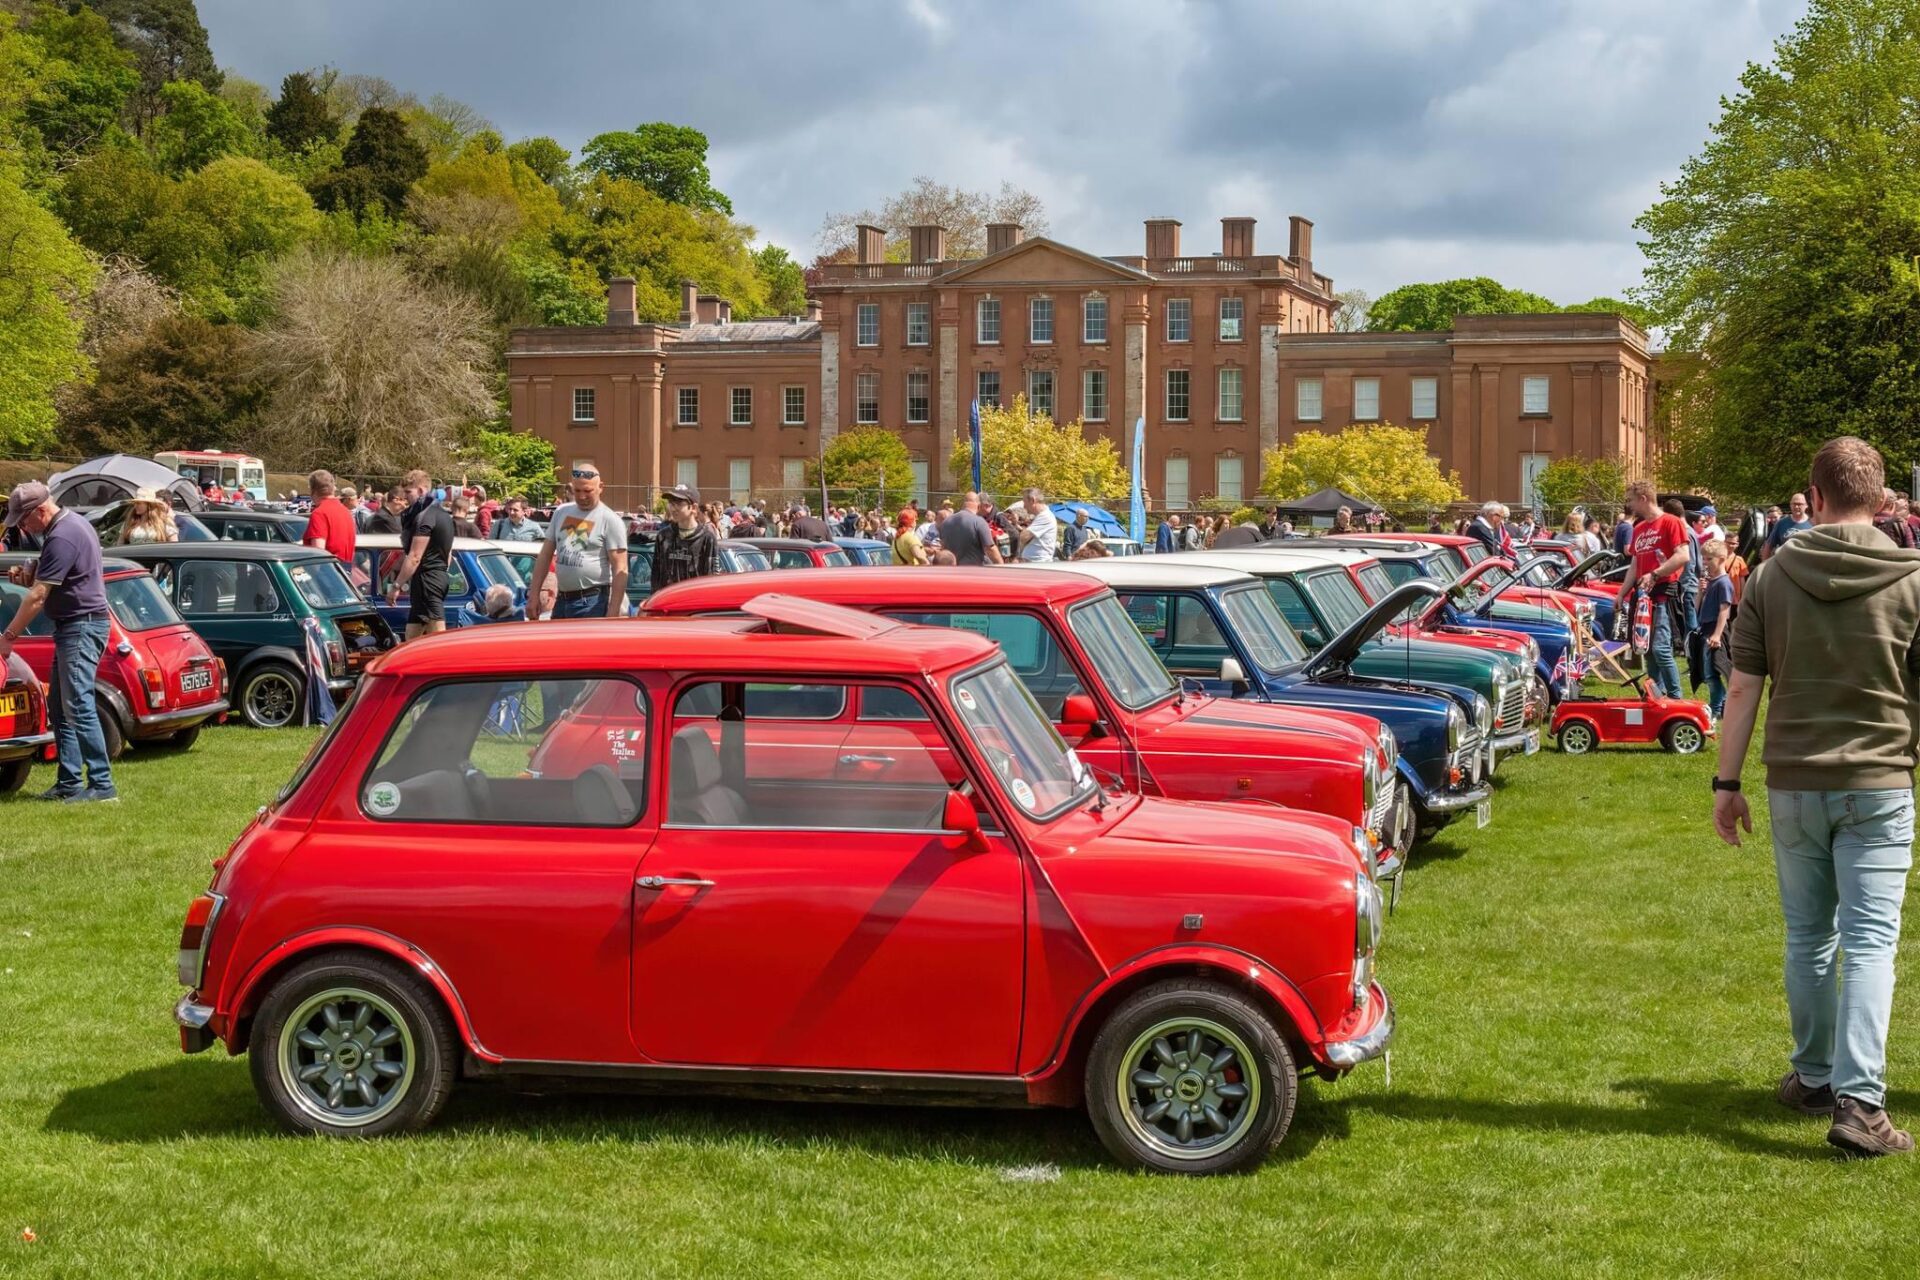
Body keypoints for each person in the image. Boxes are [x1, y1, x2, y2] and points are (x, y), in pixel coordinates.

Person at [1715, 435, 1920, 1158]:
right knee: (1868, 942)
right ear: (1882, 497)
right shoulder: (1913, 579)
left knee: (1812, 936)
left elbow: (1742, 689)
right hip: (1879, 784)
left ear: (1818, 496)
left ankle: (1815, 1077)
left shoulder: (1769, 577)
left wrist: (1726, 782)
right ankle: (1857, 1102)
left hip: (1794, 782)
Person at [0, 483, 115, 802]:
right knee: (61, 708)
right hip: (76, 625)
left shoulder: (63, 535)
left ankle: (102, 785)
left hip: (81, 626)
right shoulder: (72, 526)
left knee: (78, 704)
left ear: (40, 510)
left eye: (23, 520)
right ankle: (69, 782)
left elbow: (38, 597)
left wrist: (8, 637)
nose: (22, 527)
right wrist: (29, 577)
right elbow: (57, 580)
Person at [1617, 479, 1689, 699]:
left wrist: (1656, 573)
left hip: (1663, 592)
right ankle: (1655, 697)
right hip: (1643, 594)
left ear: (1643, 499)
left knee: (1660, 648)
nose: (1630, 505)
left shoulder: (1671, 522)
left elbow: (1683, 556)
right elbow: (1636, 564)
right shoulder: (1639, 528)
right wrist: (1622, 593)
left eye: (1631, 500)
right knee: (1645, 649)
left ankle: (1676, 697)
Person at [529, 465, 628, 620]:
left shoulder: (610, 520)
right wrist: (533, 595)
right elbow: (545, 555)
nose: (582, 496)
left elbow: (620, 568)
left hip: (591, 602)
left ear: (601, 487)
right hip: (562, 599)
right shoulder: (561, 512)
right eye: (577, 491)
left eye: (588, 491)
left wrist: (613, 611)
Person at [388, 470, 455, 641]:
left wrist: (396, 586)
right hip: (433, 577)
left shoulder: (426, 517)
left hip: (428, 578)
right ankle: (405, 663)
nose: (405, 498)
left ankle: (443, 666)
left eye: (409, 492)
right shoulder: (443, 514)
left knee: (438, 634)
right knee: (413, 632)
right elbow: (449, 554)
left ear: (421, 490)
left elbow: (415, 556)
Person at [651, 483, 718, 591]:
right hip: (668, 602)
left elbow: (712, 577)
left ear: (693, 508)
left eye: (678, 503)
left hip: (694, 603)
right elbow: (656, 575)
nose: (673, 508)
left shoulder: (707, 538)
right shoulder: (663, 536)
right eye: (671, 503)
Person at [1697, 539, 1734, 721]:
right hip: (1706, 629)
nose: (1705, 563)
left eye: (1709, 559)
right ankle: (1719, 706)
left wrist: (1717, 634)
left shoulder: (1723, 583)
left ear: (1721, 559)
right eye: (1703, 559)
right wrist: (1700, 592)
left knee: (1713, 672)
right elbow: (1698, 607)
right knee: (1708, 673)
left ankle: (1718, 708)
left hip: (1715, 631)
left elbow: (1724, 610)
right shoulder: (1711, 582)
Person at [1664, 498, 1703, 634]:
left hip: (1687, 584)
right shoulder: (1692, 531)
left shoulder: (1685, 533)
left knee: (1690, 622)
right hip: (1692, 583)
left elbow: (1689, 563)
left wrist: (1683, 585)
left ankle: (1693, 650)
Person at [301, 469, 356, 564]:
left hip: (327, 572)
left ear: (312, 490)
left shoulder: (319, 513)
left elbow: (318, 554)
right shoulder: (345, 511)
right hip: (345, 571)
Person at [938, 492, 1002, 567]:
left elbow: (942, 547)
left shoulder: (946, 522)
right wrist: (1002, 566)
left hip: (953, 571)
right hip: (973, 572)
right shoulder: (979, 521)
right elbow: (990, 549)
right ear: (978, 506)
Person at [1760, 492, 1813, 561]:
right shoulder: (1782, 523)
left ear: (1806, 505)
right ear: (1790, 505)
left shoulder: (1813, 523)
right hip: (1785, 565)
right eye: (1794, 504)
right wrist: (1764, 566)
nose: (1796, 507)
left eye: (1799, 504)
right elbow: (1769, 545)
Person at [1016, 488, 1057, 562]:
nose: (1024, 506)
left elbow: (1023, 537)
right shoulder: (1040, 516)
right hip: (1033, 563)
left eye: (1025, 502)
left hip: (1038, 564)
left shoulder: (1045, 517)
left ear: (1032, 500)